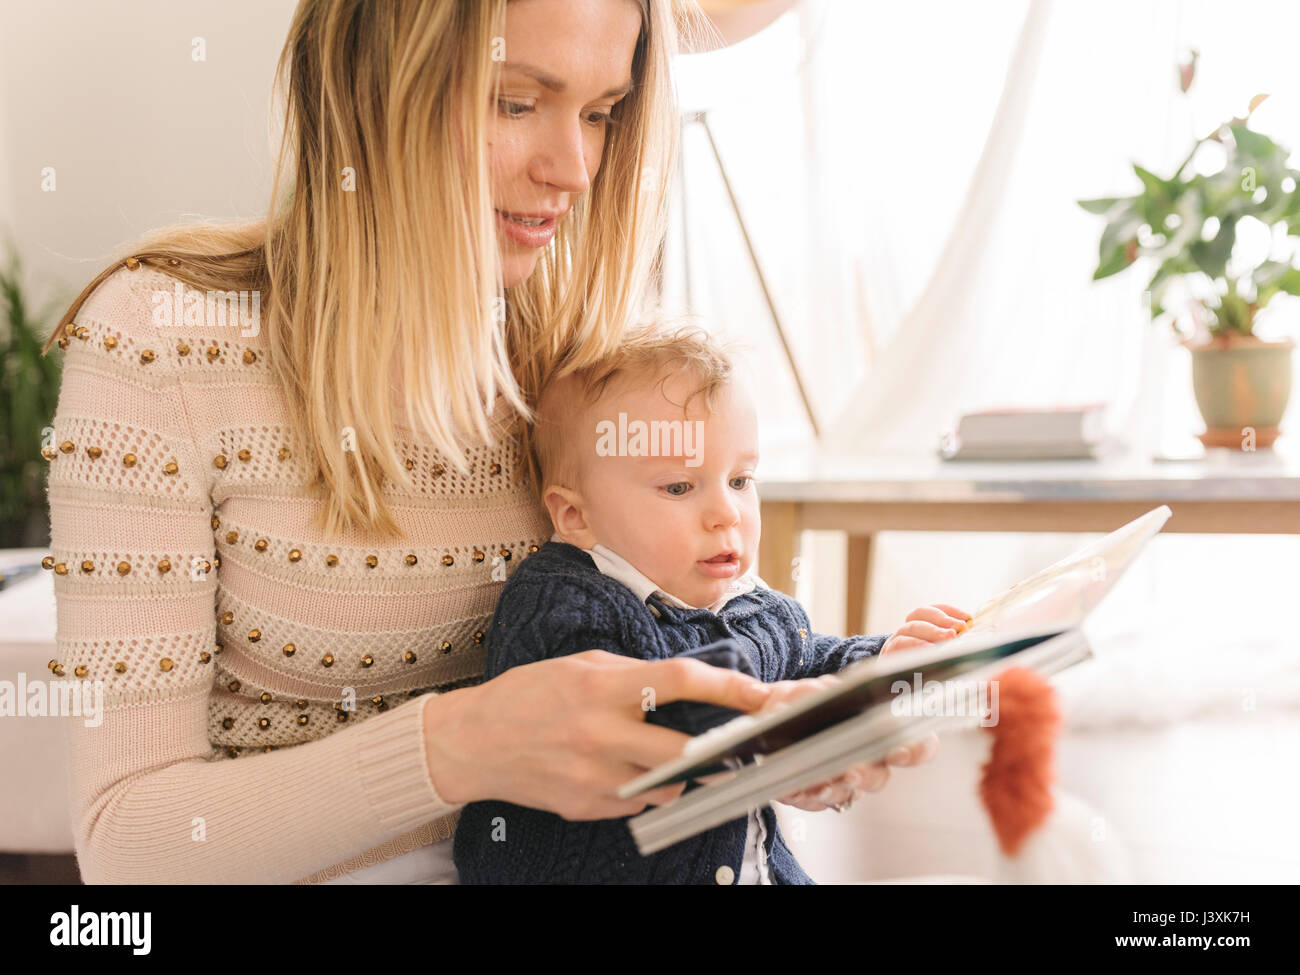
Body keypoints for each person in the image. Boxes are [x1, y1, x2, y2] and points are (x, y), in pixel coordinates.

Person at [36, 0, 937, 885]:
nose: (574, 167)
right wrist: (465, 746)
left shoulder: (577, 361)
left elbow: (704, 614)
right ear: (371, 89)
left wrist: (784, 735)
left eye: (600, 113)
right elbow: (125, 842)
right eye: (515, 102)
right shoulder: (162, 342)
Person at [453, 322, 971, 883]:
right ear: (575, 516)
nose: (727, 513)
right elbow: (641, 718)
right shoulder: (562, 601)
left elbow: (808, 660)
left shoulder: (751, 604)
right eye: (679, 487)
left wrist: (880, 661)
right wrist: (777, 723)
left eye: (741, 480)